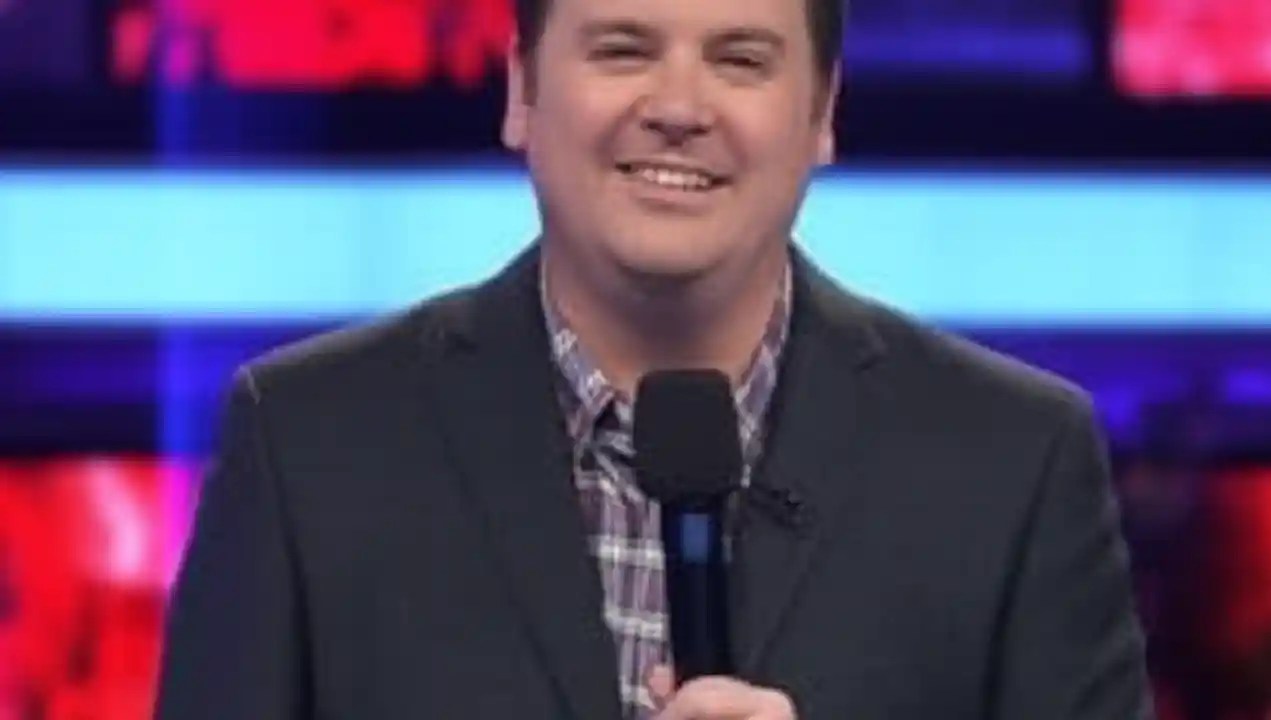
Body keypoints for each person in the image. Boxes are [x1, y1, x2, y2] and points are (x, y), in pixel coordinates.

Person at [154, 0, 1154, 717]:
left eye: (740, 58)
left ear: (821, 115)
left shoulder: (1013, 463)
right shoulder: (307, 443)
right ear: (520, 90)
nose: (679, 104)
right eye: (624, 47)